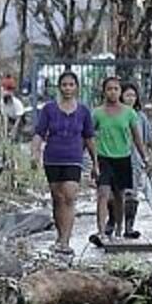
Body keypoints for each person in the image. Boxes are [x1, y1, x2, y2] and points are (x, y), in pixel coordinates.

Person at [31, 71, 97, 255]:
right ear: (59, 87)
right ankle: (59, 237)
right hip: (52, 158)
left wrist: (96, 163)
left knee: (69, 196)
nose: (68, 88)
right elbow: (39, 133)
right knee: (57, 198)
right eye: (64, 85)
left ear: (76, 87)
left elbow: (89, 138)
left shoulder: (83, 111)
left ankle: (66, 241)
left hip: (74, 158)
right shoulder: (49, 109)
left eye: (71, 85)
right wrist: (35, 153)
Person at [90, 76, 151, 247]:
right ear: (104, 91)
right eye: (109, 89)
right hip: (103, 158)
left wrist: (146, 158)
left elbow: (138, 139)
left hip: (123, 158)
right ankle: (101, 231)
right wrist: (89, 162)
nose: (113, 92)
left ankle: (118, 229)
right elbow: (89, 137)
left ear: (120, 92)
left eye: (116, 89)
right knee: (102, 194)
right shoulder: (97, 113)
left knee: (119, 196)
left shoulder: (129, 113)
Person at [111, 82, 152, 238]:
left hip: (135, 162)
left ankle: (129, 227)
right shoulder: (113, 114)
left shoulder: (140, 117)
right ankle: (112, 224)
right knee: (115, 194)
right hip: (116, 159)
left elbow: (150, 140)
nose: (130, 99)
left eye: (133, 95)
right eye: (127, 95)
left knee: (132, 194)